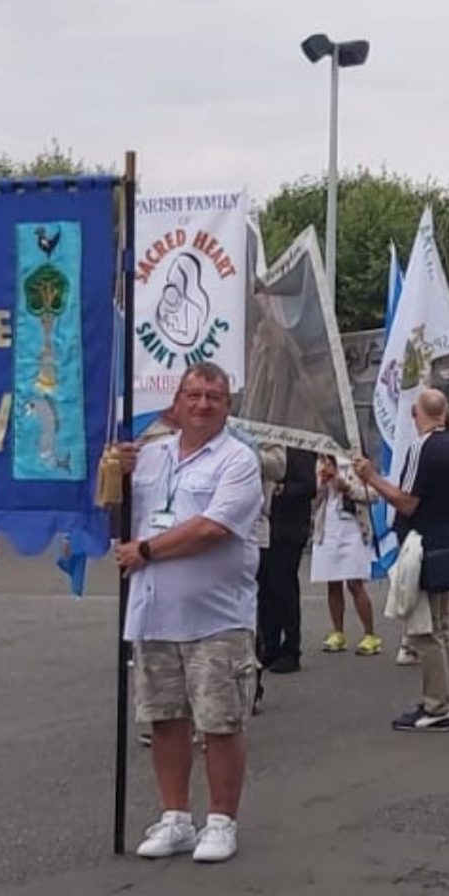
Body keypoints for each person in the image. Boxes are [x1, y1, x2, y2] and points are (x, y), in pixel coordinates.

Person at [115, 363, 264, 864]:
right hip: (154, 611)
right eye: (194, 395)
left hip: (215, 617)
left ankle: (221, 820)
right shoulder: (149, 455)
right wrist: (111, 471)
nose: (203, 404)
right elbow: (114, 511)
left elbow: (212, 527)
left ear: (227, 405)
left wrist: (148, 550)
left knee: (219, 722)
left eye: (214, 397)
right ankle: (175, 816)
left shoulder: (238, 460)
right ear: (176, 401)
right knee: (164, 718)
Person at [356, 388, 449, 731]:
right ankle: (439, 698)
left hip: (422, 543)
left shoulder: (424, 447)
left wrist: (372, 477)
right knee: (439, 628)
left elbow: (407, 502)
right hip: (447, 538)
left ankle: (437, 705)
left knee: (422, 631)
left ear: (416, 414)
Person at [310, 454, 380, 657]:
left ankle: (370, 634)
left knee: (354, 583)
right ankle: (337, 632)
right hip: (328, 527)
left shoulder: (358, 462)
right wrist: (322, 482)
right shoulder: (321, 462)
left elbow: (373, 495)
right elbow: (314, 499)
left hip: (353, 528)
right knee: (332, 582)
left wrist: (348, 488)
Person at [255, 445, 316, 674]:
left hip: (288, 529)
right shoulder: (265, 445)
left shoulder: (300, 448)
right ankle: (269, 645)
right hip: (264, 530)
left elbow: (309, 486)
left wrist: (282, 489)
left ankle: (291, 648)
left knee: (284, 588)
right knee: (265, 590)